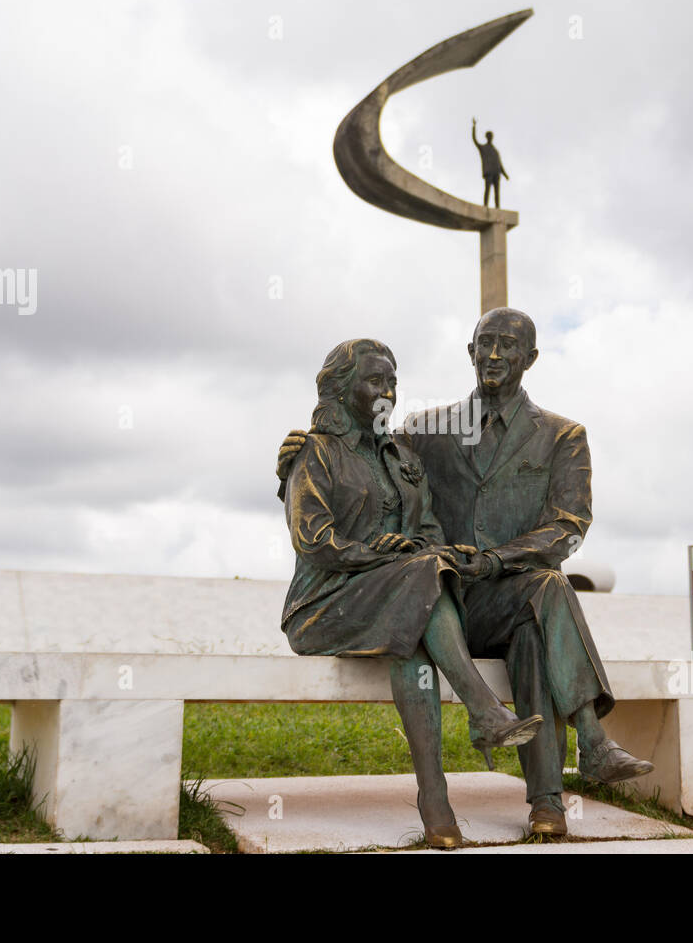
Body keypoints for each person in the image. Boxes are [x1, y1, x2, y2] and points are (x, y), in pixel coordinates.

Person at [277, 311, 652, 838]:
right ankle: (564, 741)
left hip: (501, 593)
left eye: (509, 345)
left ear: (531, 358)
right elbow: (362, 455)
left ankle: (555, 793)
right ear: (470, 352)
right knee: (449, 609)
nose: (496, 354)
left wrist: (496, 559)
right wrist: (294, 459)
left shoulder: (562, 436)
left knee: (544, 596)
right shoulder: (425, 433)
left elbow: (568, 529)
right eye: (486, 344)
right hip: (432, 594)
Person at [280, 338, 541, 849]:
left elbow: (430, 533)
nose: (388, 391)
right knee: (419, 581)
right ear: (341, 387)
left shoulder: (402, 456)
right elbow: (313, 540)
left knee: (414, 635)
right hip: (324, 607)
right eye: (375, 380)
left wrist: (413, 548)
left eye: (393, 382)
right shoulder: (315, 452)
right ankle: (484, 711)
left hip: (399, 602)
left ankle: (435, 805)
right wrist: (380, 553)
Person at [472, 118, 509, 208]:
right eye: (489, 136)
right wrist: (474, 127)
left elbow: (500, 164)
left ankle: (497, 207)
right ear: (487, 137)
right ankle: (485, 206)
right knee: (487, 189)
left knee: (497, 192)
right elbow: (475, 140)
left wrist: (505, 174)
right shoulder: (484, 148)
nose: (490, 137)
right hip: (489, 172)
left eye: (491, 136)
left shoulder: (495, 151)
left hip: (496, 172)